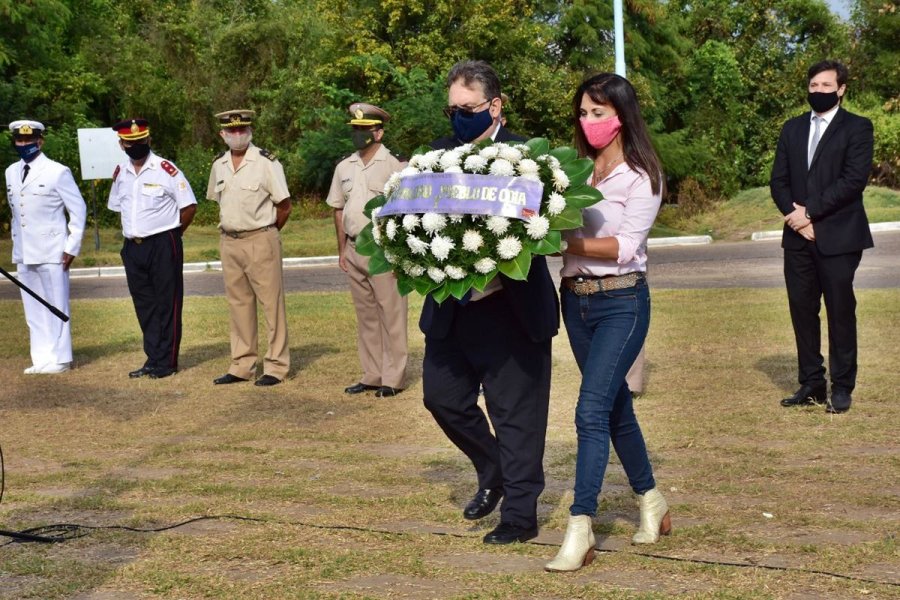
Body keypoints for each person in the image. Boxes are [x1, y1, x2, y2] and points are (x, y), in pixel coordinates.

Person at [421, 60, 560, 545]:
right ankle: (494, 469)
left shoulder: (528, 158)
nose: (459, 119)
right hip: (452, 311)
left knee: (516, 415)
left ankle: (520, 515)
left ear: (494, 106)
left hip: (511, 309)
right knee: (441, 397)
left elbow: (546, 225)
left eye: (468, 109)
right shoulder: (434, 159)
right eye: (452, 110)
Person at [545, 73, 669, 572]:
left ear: (621, 115)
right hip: (575, 302)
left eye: (598, 112)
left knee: (590, 411)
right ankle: (652, 501)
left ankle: (581, 526)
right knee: (615, 410)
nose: (588, 121)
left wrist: (558, 240)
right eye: (582, 113)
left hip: (622, 302)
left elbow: (623, 249)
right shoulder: (573, 173)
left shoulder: (642, 177)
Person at [771, 60, 874, 415]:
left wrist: (810, 212)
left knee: (840, 311)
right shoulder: (792, 128)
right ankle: (812, 382)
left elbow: (852, 180)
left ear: (841, 89)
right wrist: (798, 221)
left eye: (826, 86)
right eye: (813, 86)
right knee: (802, 310)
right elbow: (778, 181)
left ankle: (842, 386)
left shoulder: (858, 128)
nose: (818, 92)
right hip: (797, 237)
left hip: (840, 237)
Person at [327, 102, 408, 398]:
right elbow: (338, 210)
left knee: (391, 312)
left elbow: (405, 213)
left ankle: (393, 377)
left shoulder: (395, 166)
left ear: (379, 132)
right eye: (355, 130)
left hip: (382, 249)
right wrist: (341, 251)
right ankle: (372, 373)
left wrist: (400, 253)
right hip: (353, 246)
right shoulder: (344, 167)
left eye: (364, 130)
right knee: (367, 316)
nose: (358, 135)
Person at [207, 109, 292, 387]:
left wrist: (267, 232)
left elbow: (284, 205)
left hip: (260, 238)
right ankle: (242, 364)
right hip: (230, 241)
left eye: (242, 130)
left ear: (250, 131)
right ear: (222, 135)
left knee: (272, 305)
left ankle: (276, 366)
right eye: (231, 131)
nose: (238, 135)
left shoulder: (266, 162)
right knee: (238, 304)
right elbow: (218, 202)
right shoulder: (218, 164)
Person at [108, 118, 197, 379]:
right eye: (130, 143)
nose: (136, 146)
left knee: (167, 303)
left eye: (140, 141)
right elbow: (118, 206)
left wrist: (173, 233)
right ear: (122, 144)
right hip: (133, 247)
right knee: (144, 304)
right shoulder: (120, 173)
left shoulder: (166, 170)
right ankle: (152, 358)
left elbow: (189, 207)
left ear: (148, 140)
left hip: (162, 243)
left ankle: (167, 362)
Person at [6, 120, 86, 374]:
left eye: (29, 140)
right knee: (33, 307)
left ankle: (61, 358)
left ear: (40, 141)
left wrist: (71, 246)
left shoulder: (57, 171)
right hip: (24, 250)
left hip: (53, 250)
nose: (25, 145)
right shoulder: (10, 171)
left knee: (56, 305)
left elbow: (78, 209)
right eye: (20, 140)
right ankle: (41, 357)